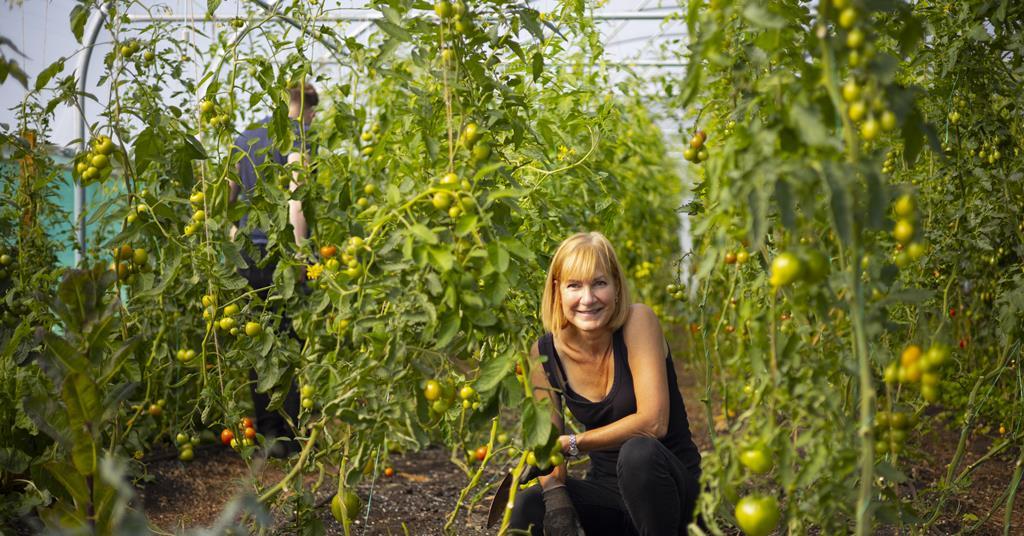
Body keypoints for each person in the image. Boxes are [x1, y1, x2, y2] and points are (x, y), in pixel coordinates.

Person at [509, 232, 702, 535]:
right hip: (609, 497)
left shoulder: (638, 322)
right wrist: (556, 498)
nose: (588, 299)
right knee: (529, 504)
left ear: (616, 286)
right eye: (574, 285)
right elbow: (548, 443)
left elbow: (654, 424)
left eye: (599, 283)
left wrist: (574, 443)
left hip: (672, 499)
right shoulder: (544, 352)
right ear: (558, 291)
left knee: (639, 452)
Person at [228, 82, 318, 457]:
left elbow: (225, 197)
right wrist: (300, 255)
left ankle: (266, 434)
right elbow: (297, 203)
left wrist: (234, 235)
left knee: (258, 343)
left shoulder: (243, 139)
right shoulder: (296, 141)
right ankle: (289, 435)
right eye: (312, 115)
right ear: (306, 109)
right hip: (280, 257)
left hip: (246, 257)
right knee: (287, 344)